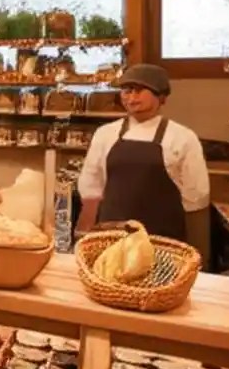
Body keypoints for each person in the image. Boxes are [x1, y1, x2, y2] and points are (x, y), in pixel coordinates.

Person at [76, 63, 210, 242]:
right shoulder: (105, 134)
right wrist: (83, 234)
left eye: (139, 91)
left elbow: (196, 199)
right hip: (112, 238)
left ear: (161, 96)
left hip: (163, 241)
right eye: (126, 91)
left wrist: (199, 249)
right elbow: (91, 187)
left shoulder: (182, 137)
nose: (131, 97)